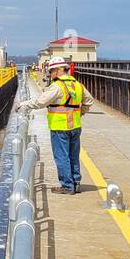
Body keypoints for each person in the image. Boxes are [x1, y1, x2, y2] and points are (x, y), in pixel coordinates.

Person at [13, 57, 93, 194]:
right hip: (75, 126)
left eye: (51, 71)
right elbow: (89, 100)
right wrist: (80, 113)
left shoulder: (57, 86)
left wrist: (22, 104)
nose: (50, 74)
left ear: (57, 70)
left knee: (62, 157)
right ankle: (76, 183)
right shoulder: (77, 84)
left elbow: (40, 102)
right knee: (73, 155)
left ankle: (67, 186)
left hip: (60, 127)